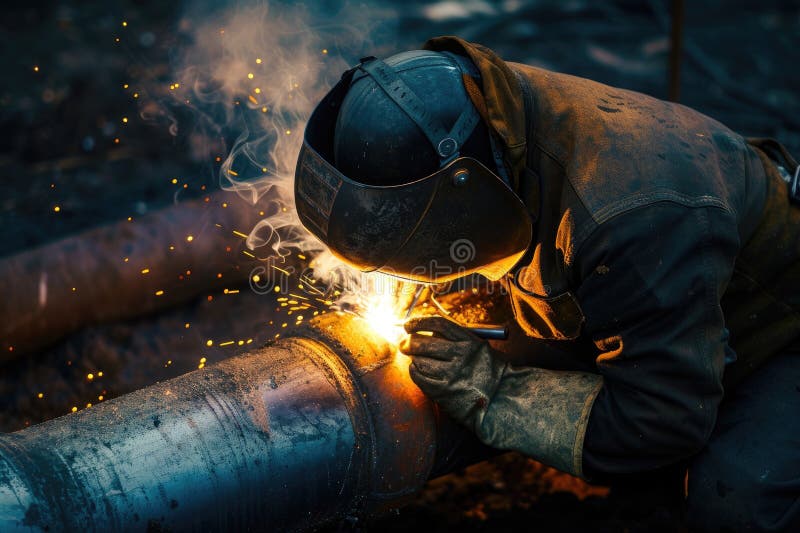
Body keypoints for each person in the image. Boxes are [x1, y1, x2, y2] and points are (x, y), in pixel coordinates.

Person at [293, 36, 800, 531]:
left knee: (737, 499)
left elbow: (665, 421)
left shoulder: (627, 220)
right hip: (674, 287)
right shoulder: (482, 114)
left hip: (780, 332)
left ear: (468, 196)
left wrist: (494, 390)